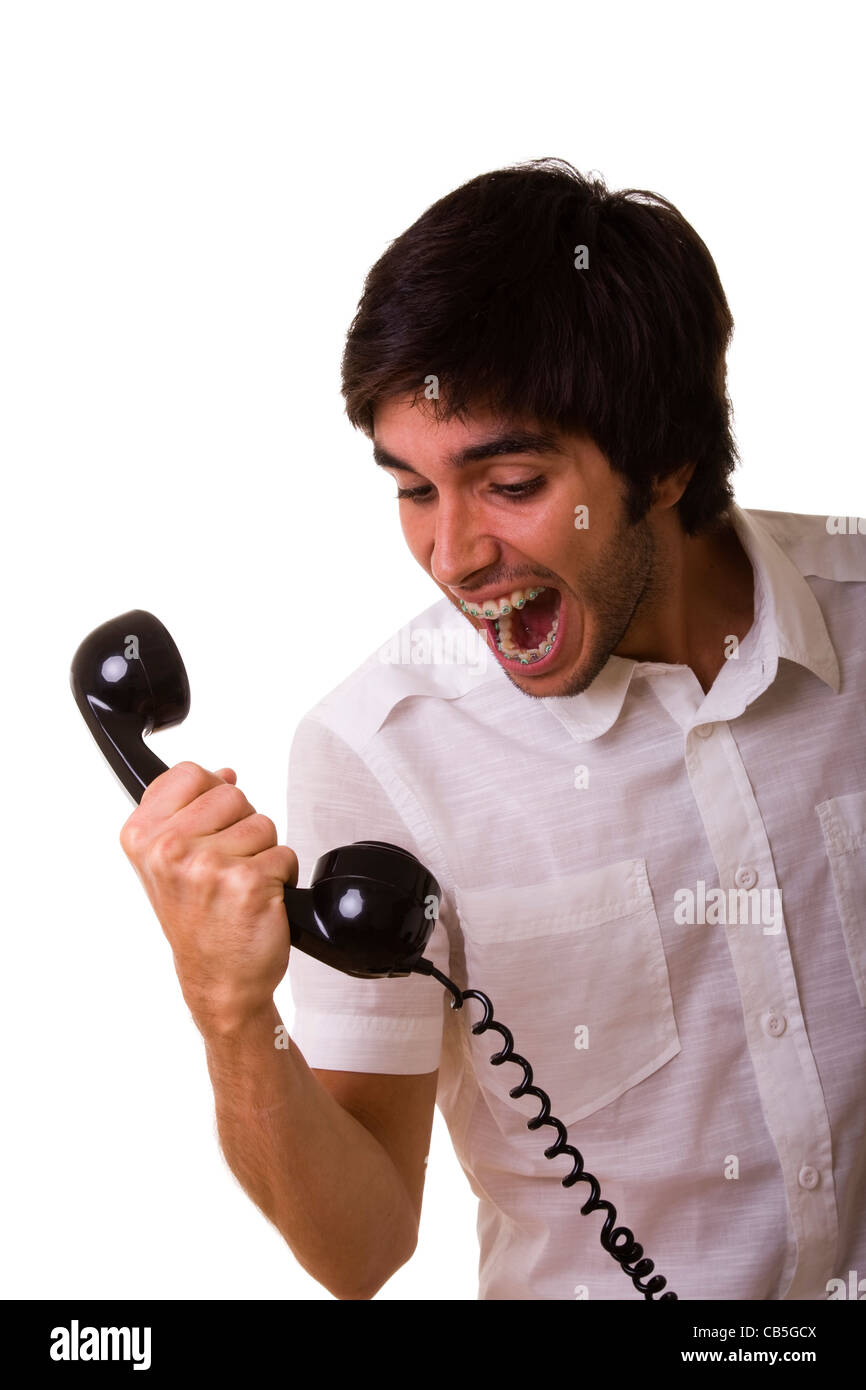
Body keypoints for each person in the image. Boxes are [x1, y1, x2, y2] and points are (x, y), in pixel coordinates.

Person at [120, 158, 866, 1301]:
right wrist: (231, 1015)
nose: (453, 555)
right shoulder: (378, 753)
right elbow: (359, 1247)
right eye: (413, 489)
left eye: (507, 482)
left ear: (662, 457)